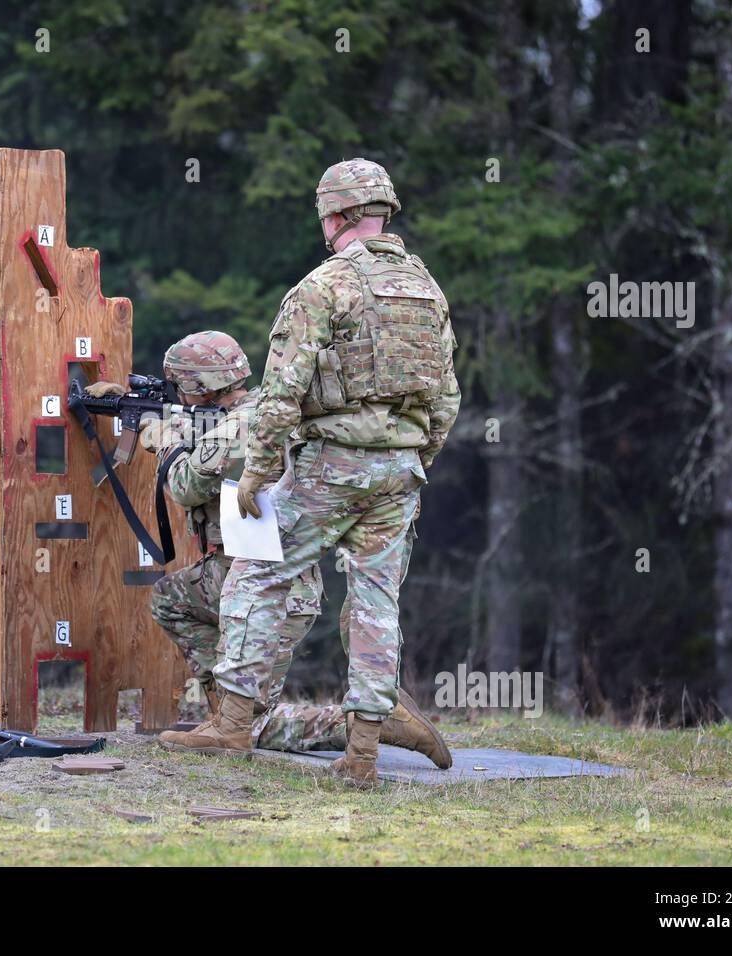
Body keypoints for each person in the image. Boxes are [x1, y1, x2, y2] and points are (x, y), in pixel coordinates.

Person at [157, 159, 461, 788]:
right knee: (376, 603)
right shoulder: (427, 290)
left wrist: (258, 476)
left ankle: (234, 722)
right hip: (399, 472)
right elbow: (448, 396)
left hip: (331, 464)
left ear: (336, 216)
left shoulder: (324, 287)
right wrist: (414, 460)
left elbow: (281, 394)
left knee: (257, 572)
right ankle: (364, 754)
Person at [86, 330, 449, 764]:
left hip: (266, 589)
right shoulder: (260, 410)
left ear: (200, 389)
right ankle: (226, 709)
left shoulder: (242, 425)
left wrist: (160, 436)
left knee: (251, 726)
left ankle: (367, 722)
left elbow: (185, 485)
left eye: (182, 386)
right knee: (173, 599)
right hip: (265, 583)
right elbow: (201, 432)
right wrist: (138, 403)